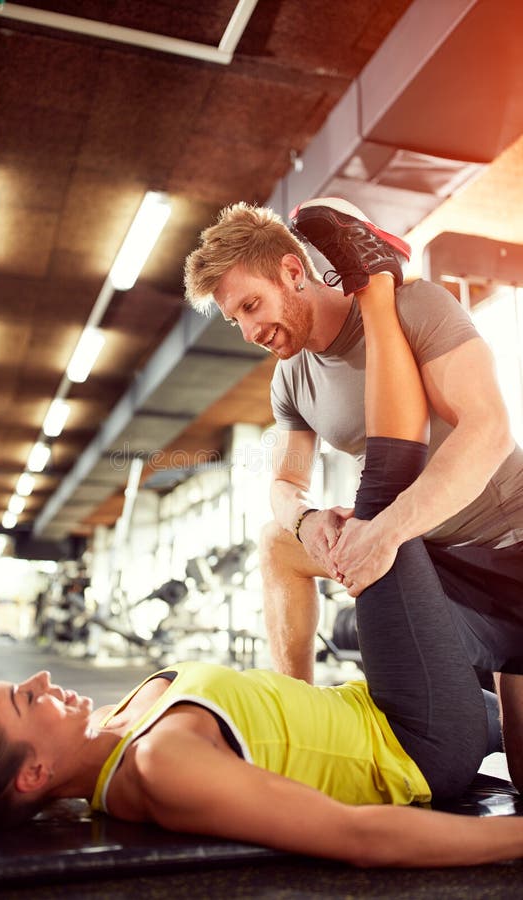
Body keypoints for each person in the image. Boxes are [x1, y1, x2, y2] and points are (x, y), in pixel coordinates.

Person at [0, 275, 520, 868]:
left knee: (287, 540)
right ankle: (377, 284)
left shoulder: (108, 726)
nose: (39, 678)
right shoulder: (161, 766)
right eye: (26, 701)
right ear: (33, 773)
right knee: (381, 506)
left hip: (378, 703)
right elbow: (359, 836)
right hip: (417, 742)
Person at [184, 197, 523, 790]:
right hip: (426, 557)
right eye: (235, 320)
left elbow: (490, 429)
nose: (250, 332)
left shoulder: (417, 306)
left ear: (293, 271)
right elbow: (285, 482)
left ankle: (489, 709)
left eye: (251, 305)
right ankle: (295, 710)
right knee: (276, 542)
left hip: (508, 543)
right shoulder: (291, 376)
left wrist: (386, 532)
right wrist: (307, 520)